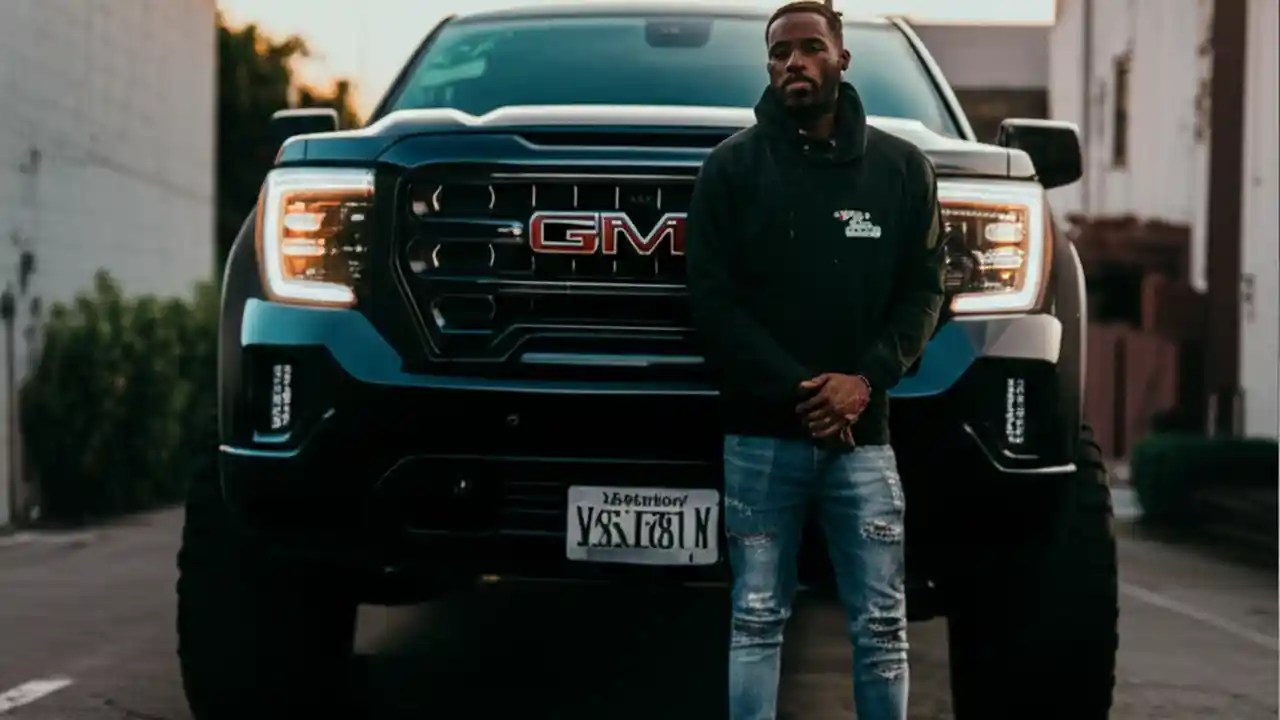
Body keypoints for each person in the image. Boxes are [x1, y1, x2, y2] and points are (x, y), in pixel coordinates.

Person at [684, 2, 948, 718]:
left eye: (808, 49)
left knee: (883, 627)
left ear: (840, 58)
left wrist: (862, 384)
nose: (791, 64)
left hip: (864, 442)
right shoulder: (731, 170)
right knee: (757, 619)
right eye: (778, 54)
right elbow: (712, 305)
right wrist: (808, 393)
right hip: (760, 439)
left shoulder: (901, 170)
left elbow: (924, 292)